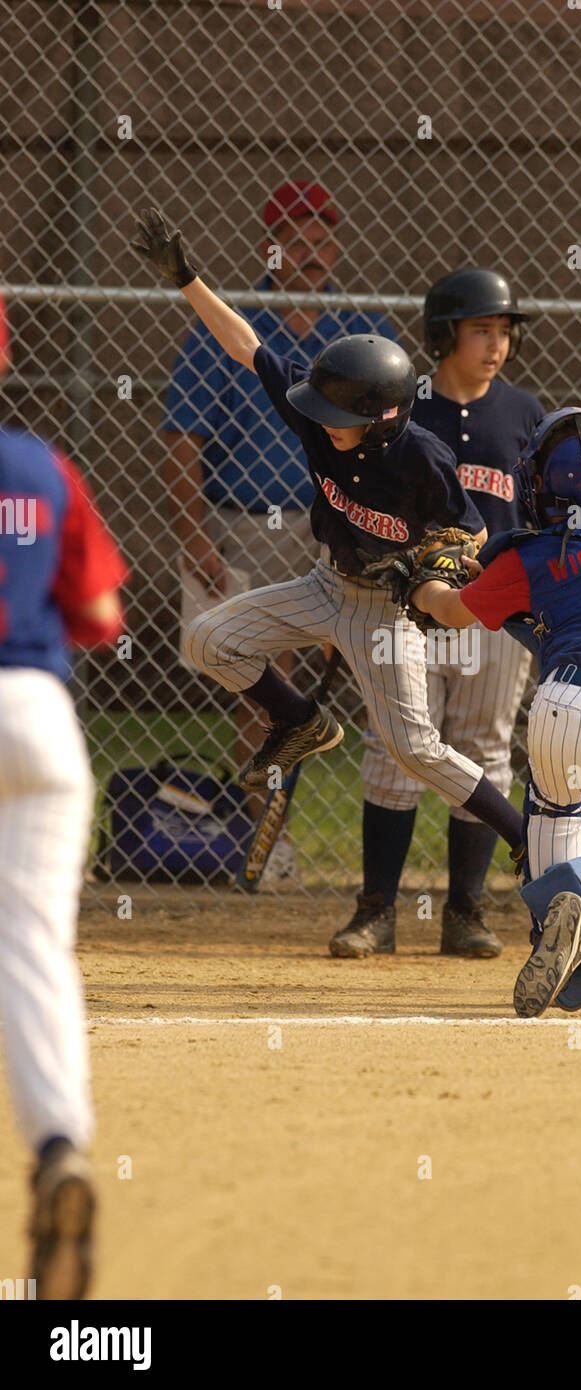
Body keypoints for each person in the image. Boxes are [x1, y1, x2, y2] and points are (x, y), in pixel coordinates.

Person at [131, 211, 526, 892]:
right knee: (207, 640)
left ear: (383, 419)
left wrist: (441, 566)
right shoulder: (318, 418)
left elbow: (475, 533)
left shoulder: (421, 459)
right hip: (324, 584)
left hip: (385, 612)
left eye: (344, 419)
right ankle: (299, 718)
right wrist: (189, 280)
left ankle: (523, 838)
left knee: (417, 752)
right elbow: (245, 343)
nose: (326, 426)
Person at [409, 408, 581, 1016]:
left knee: (557, 819)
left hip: (566, 703)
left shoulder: (526, 557)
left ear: (539, 483)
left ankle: (555, 939)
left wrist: (422, 585)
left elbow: (453, 610)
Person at [161, 180, 395, 886]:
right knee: (265, 684)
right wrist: (194, 534)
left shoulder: (358, 328)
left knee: (377, 676)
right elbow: (182, 439)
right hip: (246, 525)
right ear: (271, 247)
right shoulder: (229, 323)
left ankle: (378, 860)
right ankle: (266, 842)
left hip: (341, 529)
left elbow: (391, 439)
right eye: (298, 239)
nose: (314, 252)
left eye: (325, 238)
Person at [344, 269, 543, 961]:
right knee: (397, 746)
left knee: (483, 746)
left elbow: (537, 509)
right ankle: (377, 911)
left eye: (504, 332)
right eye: (481, 330)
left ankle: (465, 910)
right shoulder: (406, 405)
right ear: (443, 335)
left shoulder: (524, 412)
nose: (497, 344)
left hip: (495, 609)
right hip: (410, 605)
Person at [0, 292, 129, 1296]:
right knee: (32, 944)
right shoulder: (43, 468)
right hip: (41, 719)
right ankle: (59, 1150)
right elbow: (98, 611)